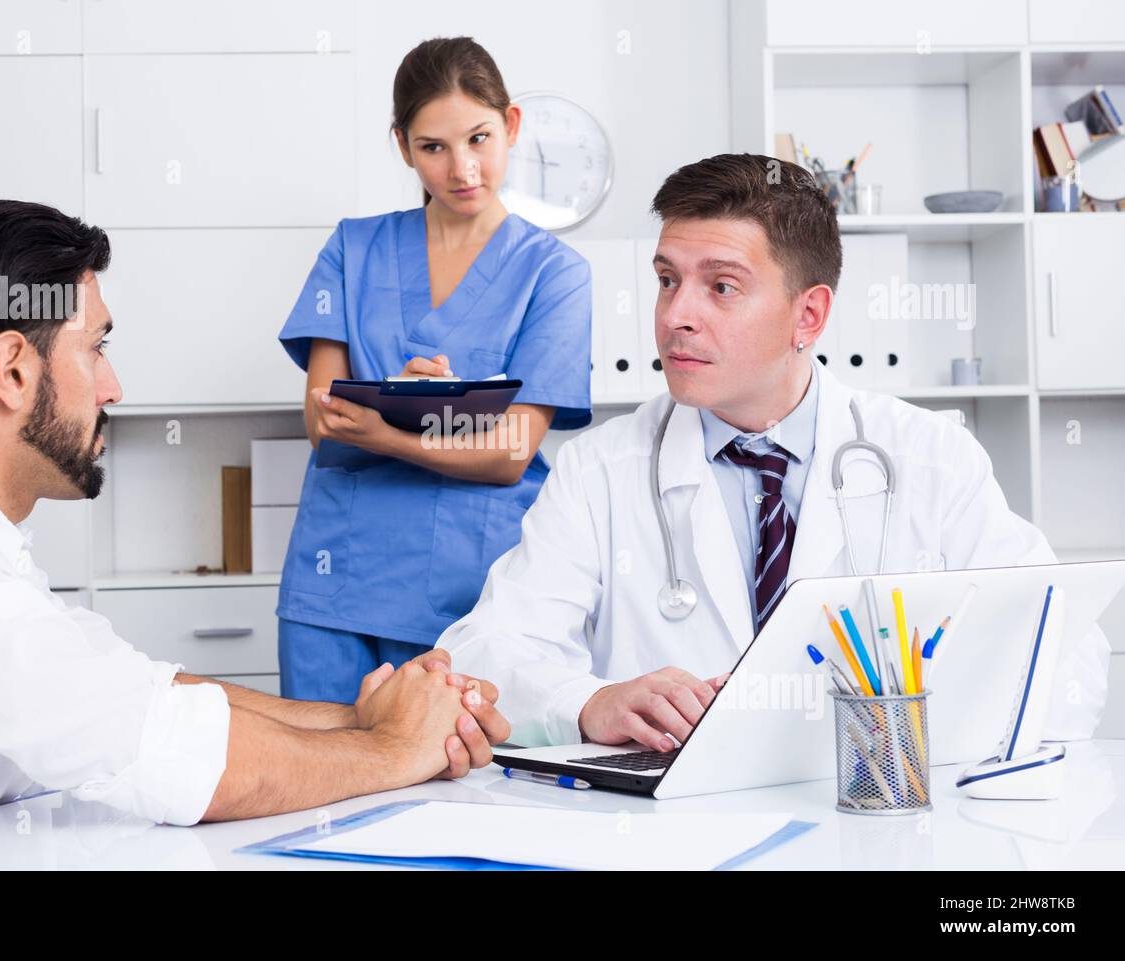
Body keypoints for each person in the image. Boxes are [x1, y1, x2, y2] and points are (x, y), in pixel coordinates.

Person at [0, 198, 509, 847]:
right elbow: (185, 759)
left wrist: (363, 717)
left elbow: (140, 690)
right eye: (95, 348)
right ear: (11, 370)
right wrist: (394, 745)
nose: (113, 385)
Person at [440, 153, 1110, 750]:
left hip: (876, 817)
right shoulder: (598, 470)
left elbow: (1068, 651)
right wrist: (588, 702)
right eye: (668, 279)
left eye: (721, 286)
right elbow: (486, 653)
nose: (676, 315)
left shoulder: (931, 457)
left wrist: (907, 720)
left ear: (809, 316)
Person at [275, 36, 592, 703]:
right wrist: (439, 413)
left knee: (461, 790)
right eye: (433, 147)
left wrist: (392, 428)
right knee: (313, 783)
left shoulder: (555, 276)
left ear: (510, 125)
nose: (463, 169)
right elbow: (322, 420)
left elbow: (511, 451)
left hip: (469, 596)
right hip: (336, 581)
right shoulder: (352, 248)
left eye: (479, 138)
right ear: (403, 146)